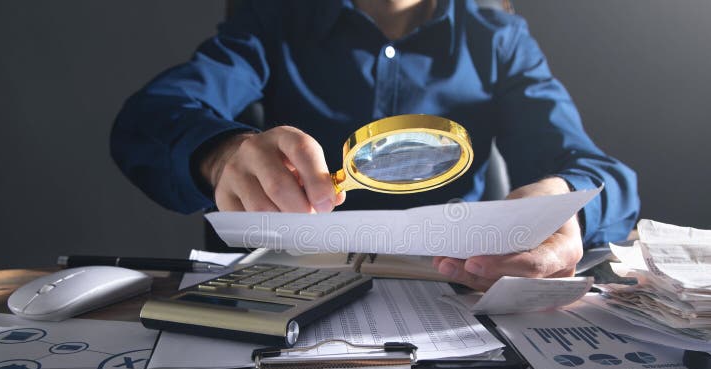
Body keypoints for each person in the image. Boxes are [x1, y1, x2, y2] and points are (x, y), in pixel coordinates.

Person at [111, 0, 639, 290]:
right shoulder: (273, 20)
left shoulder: (498, 39)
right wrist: (219, 152)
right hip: (287, 288)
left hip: (457, 290)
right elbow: (148, 118)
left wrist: (563, 201)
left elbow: (595, 169)